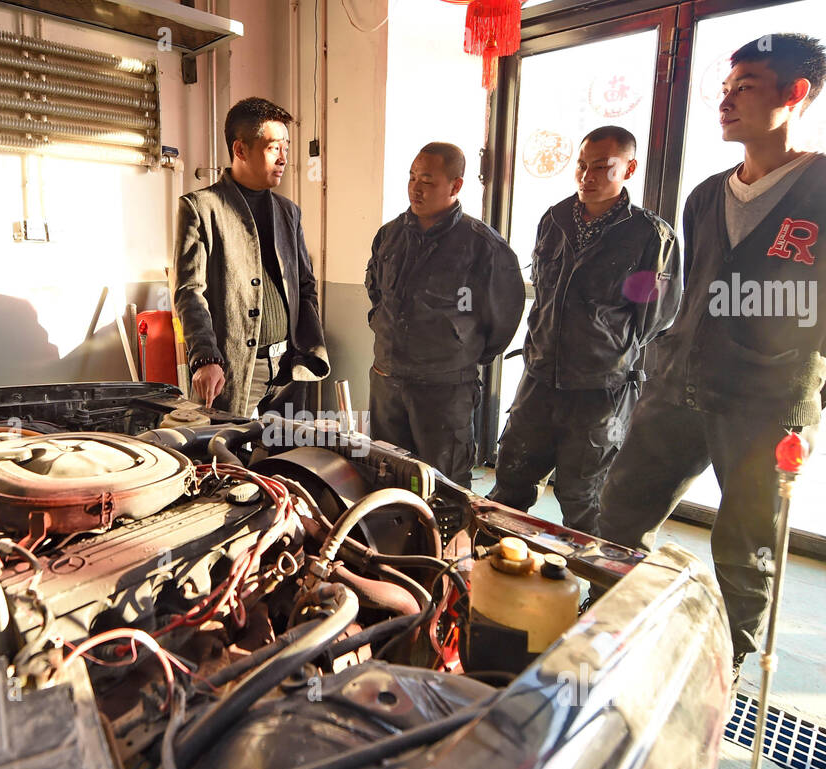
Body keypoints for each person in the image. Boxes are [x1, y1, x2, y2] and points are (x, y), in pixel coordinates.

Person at [598, 34, 826, 678]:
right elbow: (693, 291)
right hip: (678, 382)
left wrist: (800, 391)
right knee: (620, 508)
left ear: (795, 94)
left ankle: (728, 663)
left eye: (748, 87)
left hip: (766, 400)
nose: (727, 101)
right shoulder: (707, 195)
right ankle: (608, 623)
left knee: (747, 541)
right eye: (727, 89)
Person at [491, 126, 680, 536]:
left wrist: (605, 347)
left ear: (628, 168)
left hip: (600, 390)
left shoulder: (650, 236)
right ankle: (490, 573)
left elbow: (655, 319)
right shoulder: (555, 218)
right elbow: (543, 296)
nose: (587, 177)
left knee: (584, 498)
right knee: (510, 482)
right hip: (539, 379)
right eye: (581, 166)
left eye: (602, 167)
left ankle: (595, 594)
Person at [364, 142, 525, 486]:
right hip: (387, 380)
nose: (415, 188)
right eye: (411, 178)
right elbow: (376, 293)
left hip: (444, 388)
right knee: (385, 473)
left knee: (445, 483)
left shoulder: (482, 245)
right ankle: (394, 539)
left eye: (427, 180)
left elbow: (502, 319)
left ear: (455, 186)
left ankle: (445, 541)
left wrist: (457, 351)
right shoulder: (390, 236)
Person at [174, 97, 329, 417]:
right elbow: (190, 293)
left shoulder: (289, 212)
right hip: (234, 370)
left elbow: (304, 283)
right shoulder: (201, 208)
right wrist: (205, 358)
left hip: (289, 369)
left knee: (283, 461)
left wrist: (308, 346)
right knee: (225, 459)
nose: (284, 157)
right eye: (274, 148)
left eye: (286, 147)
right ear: (240, 150)